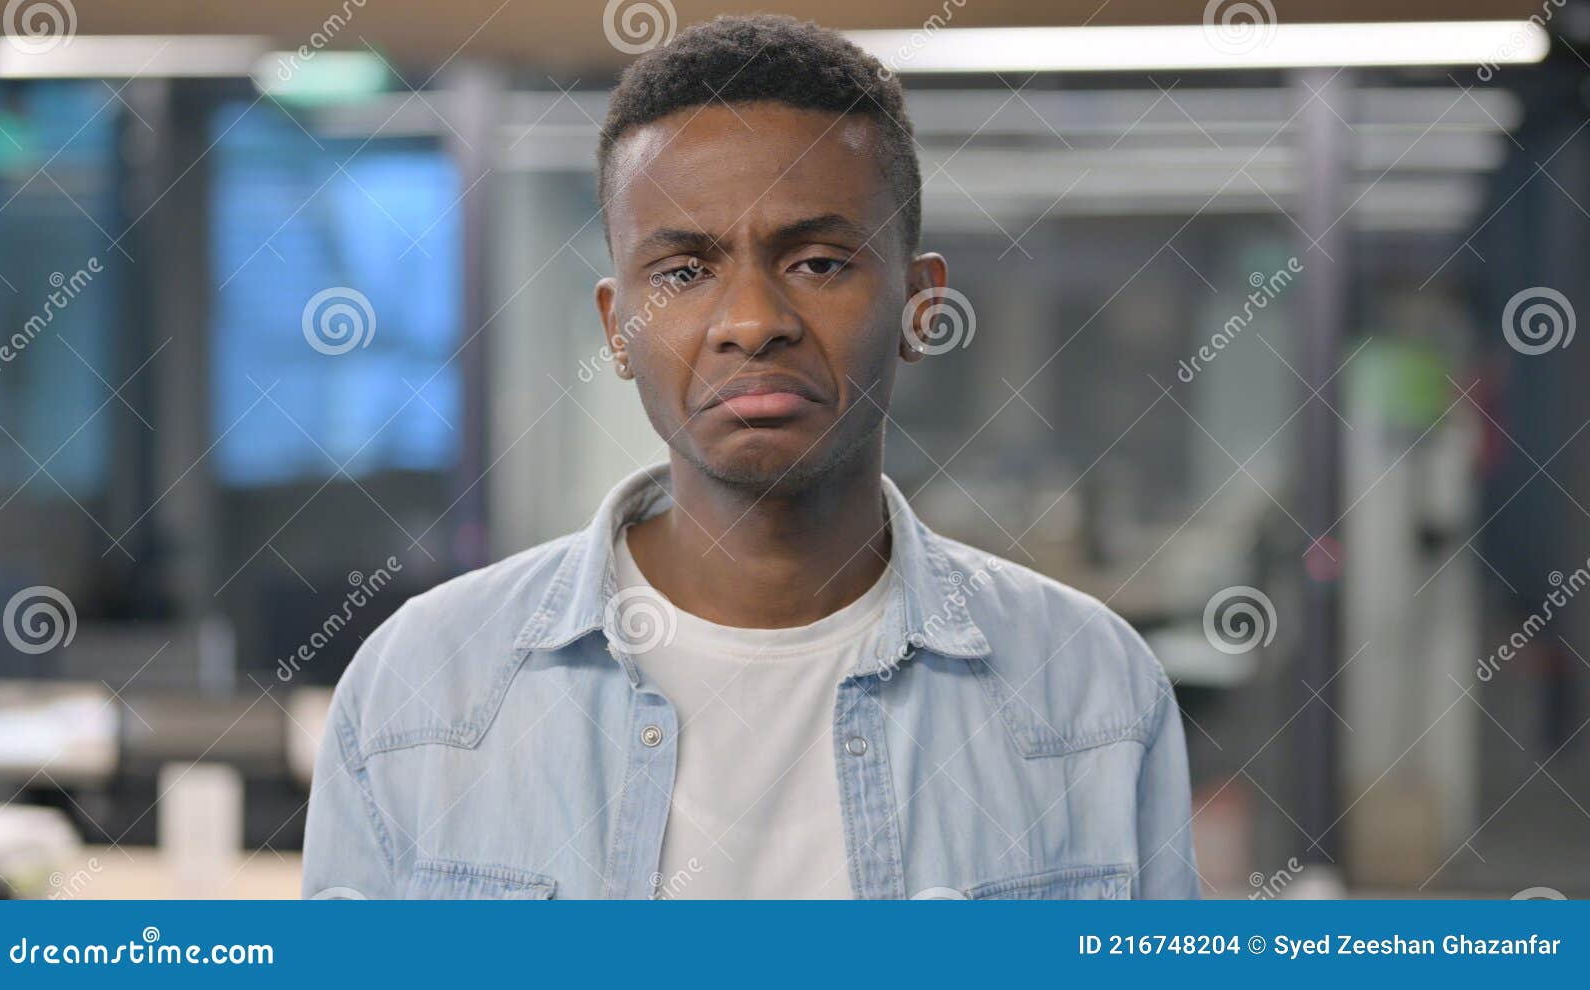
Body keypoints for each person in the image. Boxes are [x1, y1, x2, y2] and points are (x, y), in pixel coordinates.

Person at [302, 13, 1199, 900]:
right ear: (619, 329)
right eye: (685, 273)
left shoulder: (1091, 690)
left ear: (921, 307)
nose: (752, 323)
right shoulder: (421, 686)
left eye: (816, 262)